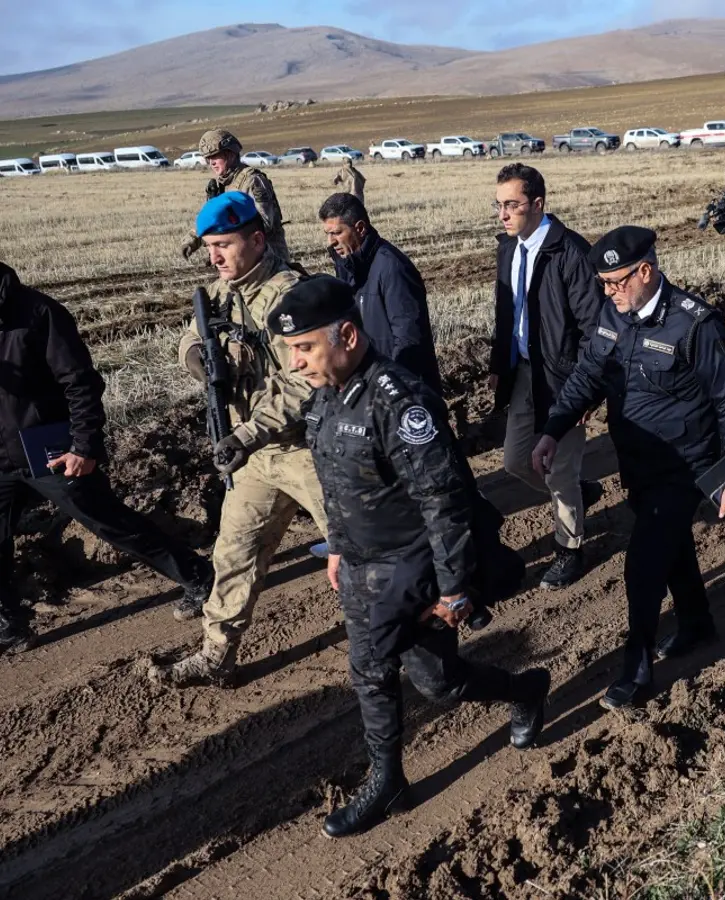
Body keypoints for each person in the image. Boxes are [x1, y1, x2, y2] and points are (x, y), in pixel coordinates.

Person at [268, 275, 550, 838]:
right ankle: (525, 690)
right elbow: (339, 486)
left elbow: (443, 500)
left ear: (346, 335)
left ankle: (387, 778)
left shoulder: (399, 400)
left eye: (303, 348)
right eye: (290, 351)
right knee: (438, 682)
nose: (295, 363)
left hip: (408, 566)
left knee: (370, 669)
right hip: (361, 562)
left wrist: (455, 588)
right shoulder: (327, 399)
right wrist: (338, 549)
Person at [530, 227, 725, 710]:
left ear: (646, 271)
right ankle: (697, 623)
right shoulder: (616, 313)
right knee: (672, 549)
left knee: (643, 567)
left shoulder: (696, 325)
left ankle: (635, 674)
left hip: (684, 465)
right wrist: (553, 428)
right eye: (605, 284)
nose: (608, 293)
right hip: (635, 461)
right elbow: (589, 373)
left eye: (615, 282)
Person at [148, 192, 328, 686]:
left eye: (223, 244)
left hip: (307, 451)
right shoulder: (223, 293)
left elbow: (306, 381)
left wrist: (248, 432)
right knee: (233, 555)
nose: (215, 257)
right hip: (253, 455)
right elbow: (190, 337)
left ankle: (416, 628)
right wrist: (200, 361)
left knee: (362, 551)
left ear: (256, 238)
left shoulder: (290, 294)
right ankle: (217, 653)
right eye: (209, 247)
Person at [0, 262, 213, 652]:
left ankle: (198, 575)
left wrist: (84, 446)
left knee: (110, 523)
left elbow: (80, 382)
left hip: (47, 449)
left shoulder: (38, 313)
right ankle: (9, 625)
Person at [487, 163, 604, 590]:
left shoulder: (570, 253)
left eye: (512, 205)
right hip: (522, 373)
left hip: (565, 380)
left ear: (538, 204)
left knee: (558, 468)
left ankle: (570, 550)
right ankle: (578, 490)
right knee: (516, 461)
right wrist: (500, 365)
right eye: (498, 205)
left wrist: (587, 393)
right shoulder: (508, 248)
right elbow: (506, 314)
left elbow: (595, 330)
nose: (503, 214)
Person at [319, 192, 441, 394]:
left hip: (402, 391)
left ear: (359, 228)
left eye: (337, 232)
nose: (330, 241)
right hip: (369, 385)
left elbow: (409, 341)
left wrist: (390, 389)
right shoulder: (348, 266)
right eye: (327, 233)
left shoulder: (392, 268)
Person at [181, 129, 289, 263]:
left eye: (215, 156)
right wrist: (192, 240)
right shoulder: (220, 185)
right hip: (240, 259)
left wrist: (222, 238)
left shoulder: (253, 181)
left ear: (230, 154)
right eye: (208, 158)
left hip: (267, 260)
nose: (211, 162)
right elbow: (212, 219)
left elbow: (265, 224)